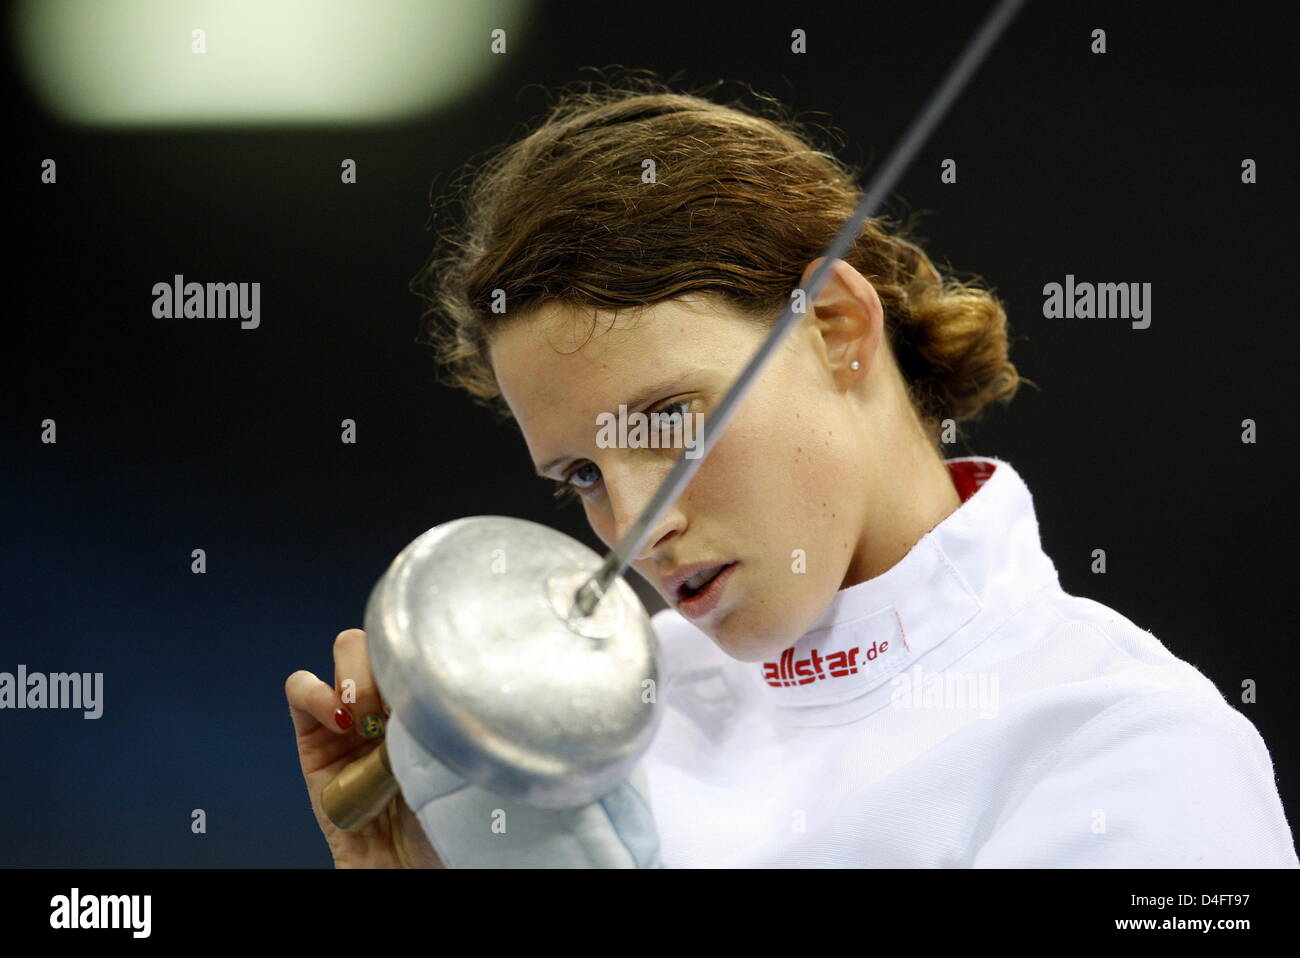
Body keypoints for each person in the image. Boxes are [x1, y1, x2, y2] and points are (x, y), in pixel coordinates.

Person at [287, 74, 1297, 867]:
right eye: (582, 476)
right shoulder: (572, 754)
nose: (634, 524)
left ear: (834, 326)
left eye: (667, 421)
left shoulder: (1131, 749)